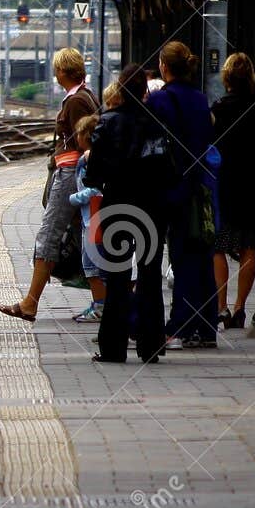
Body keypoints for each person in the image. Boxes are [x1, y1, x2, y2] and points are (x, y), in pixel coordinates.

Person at [0, 48, 99, 322]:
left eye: (56, 69)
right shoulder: (83, 95)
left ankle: (30, 303)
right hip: (73, 173)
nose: (54, 74)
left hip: (69, 174)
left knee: (50, 234)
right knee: (85, 236)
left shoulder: (77, 100)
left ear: (62, 71)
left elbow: (85, 138)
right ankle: (102, 302)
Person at [88, 64, 167, 364]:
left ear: (120, 91)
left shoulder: (107, 122)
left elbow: (93, 174)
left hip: (118, 203)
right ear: (144, 91)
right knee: (150, 274)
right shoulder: (157, 122)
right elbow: (166, 165)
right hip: (151, 204)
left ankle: (113, 348)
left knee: (117, 277)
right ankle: (151, 346)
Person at [146, 42, 218, 350]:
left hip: (170, 186)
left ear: (164, 67)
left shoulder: (160, 101)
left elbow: (150, 142)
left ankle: (180, 325)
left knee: (179, 256)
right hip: (198, 184)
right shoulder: (201, 100)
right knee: (199, 253)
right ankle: (206, 325)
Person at [211, 53, 255, 329]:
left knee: (218, 245)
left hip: (224, 181)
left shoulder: (219, 109)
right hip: (251, 182)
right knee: (248, 246)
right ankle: (240, 308)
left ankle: (220, 306)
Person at [67, 114, 106, 324]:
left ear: (85, 136)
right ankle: (101, 304)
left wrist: (73, 198)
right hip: (94, 218)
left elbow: (94, 188)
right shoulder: (96, 155)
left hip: (93, 219)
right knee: (96, 265)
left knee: (91, 267)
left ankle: (100, 306)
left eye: (79, 133)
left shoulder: (88, 158)